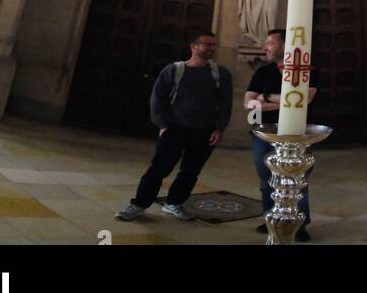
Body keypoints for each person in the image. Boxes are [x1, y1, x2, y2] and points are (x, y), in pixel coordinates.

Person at [116, 32, 233, 223]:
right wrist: (161, 123)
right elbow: (157, 98)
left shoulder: (221, 74)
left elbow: (225, 103)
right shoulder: (174, 70)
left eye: (214, 45)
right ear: (194, 46)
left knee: (190, 171)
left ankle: (174, 203)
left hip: (204, 130)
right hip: (174, 128)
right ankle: (138, 204)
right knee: (159, 168)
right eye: (207, 44)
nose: (212, 48)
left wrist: (219, 128)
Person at [244, 29, 318, 242]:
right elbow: (250, 103)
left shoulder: (305, 70)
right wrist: (287, 101)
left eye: (269, 42)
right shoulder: (263, 72)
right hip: (264, 133)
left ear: (285, 45)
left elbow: (306, 99)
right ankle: (271, 218)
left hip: (296, 133)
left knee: (297, 178)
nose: (265, 47)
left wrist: (266, 97)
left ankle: (300, 223)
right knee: (266, 178)